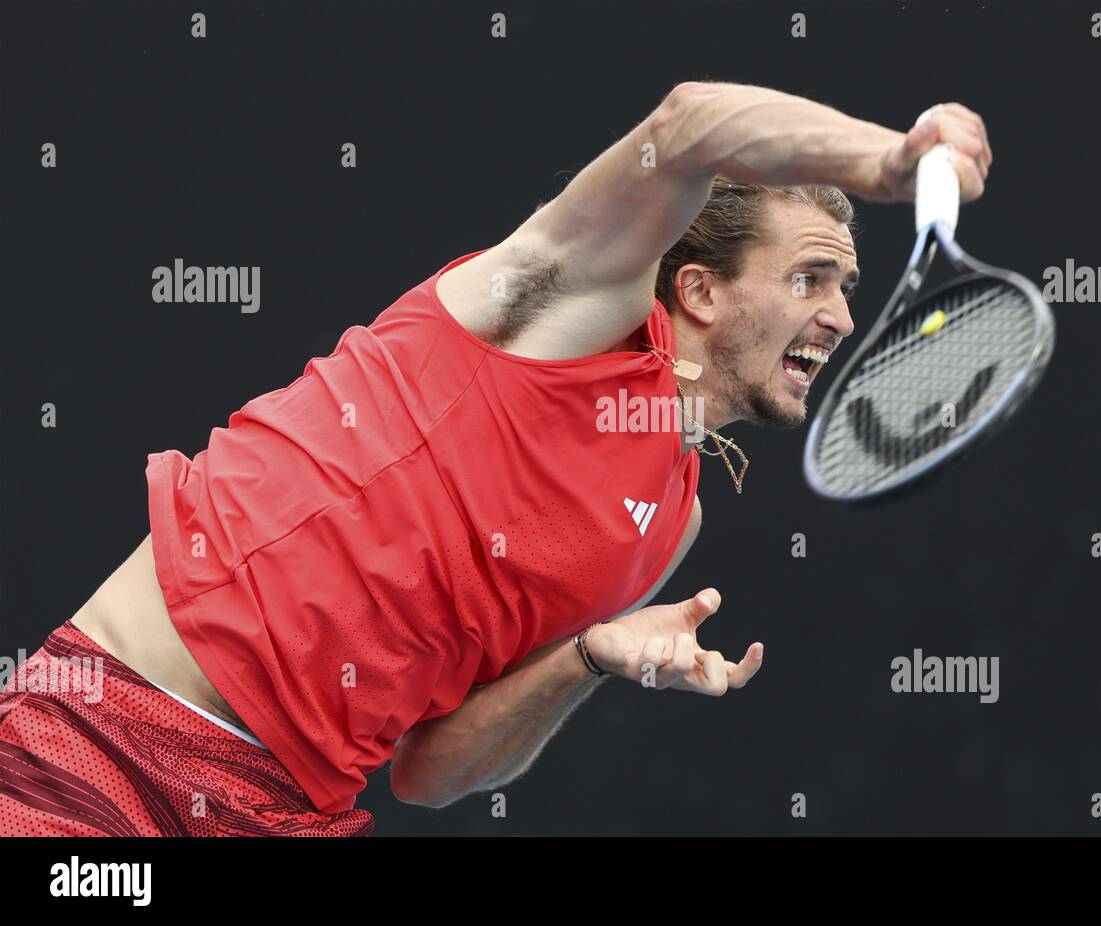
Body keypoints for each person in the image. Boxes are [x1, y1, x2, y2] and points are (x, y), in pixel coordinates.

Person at [0, 82, 991, 835]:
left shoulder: (670, 519)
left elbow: (433, 769)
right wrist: (892, 159)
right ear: (698, 290)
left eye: (850, 283)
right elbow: (688, 121)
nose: (844, 315)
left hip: (282, 811)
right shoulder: (558, 308)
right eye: (812, 275)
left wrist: (590, 658)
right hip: (105, 736)